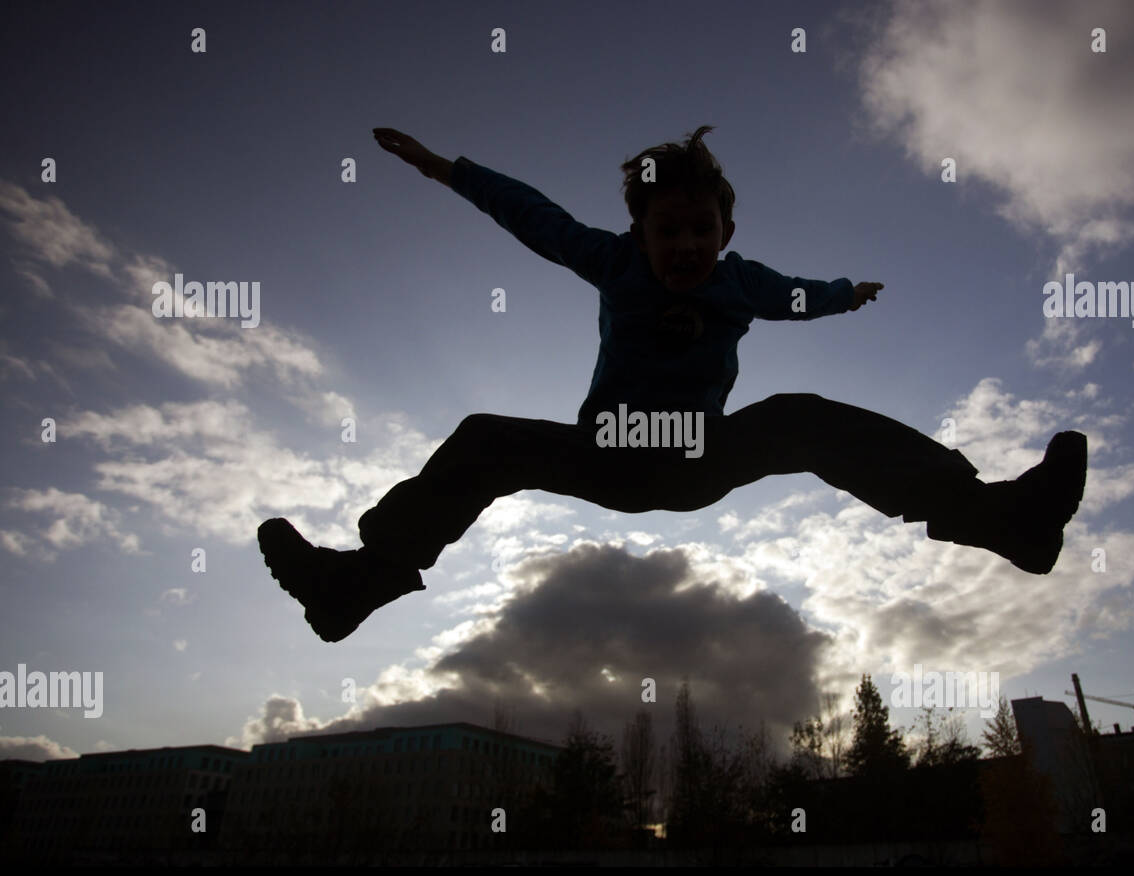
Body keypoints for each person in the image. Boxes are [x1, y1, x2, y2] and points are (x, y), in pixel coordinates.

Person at [258, 126, 1086, 643]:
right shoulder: (610, 261)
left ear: (726, 232)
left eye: (701, 230)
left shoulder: (744, 280)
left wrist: (845, 294)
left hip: (694, 457)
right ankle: (355, 586)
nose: (685, 246)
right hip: (608, 450)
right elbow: (532, 214)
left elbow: (799, 298)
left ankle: (1000, 518)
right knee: (485, 440)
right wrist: (445, 169)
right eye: (667, 231)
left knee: (801, 418)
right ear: (640, 233)